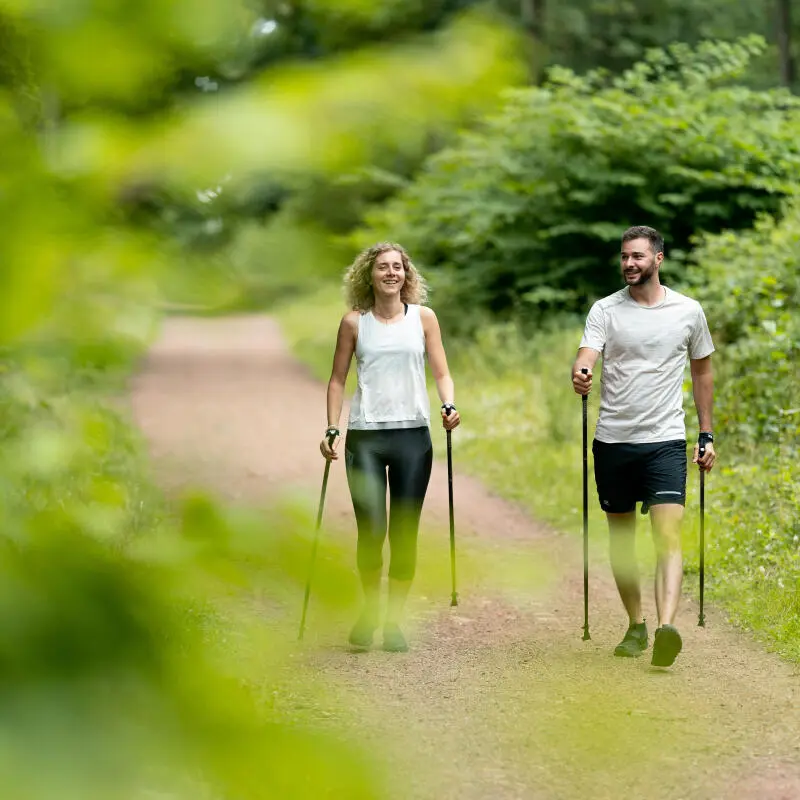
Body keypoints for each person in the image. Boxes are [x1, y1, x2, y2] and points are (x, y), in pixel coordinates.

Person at [572, 225, 716, 667]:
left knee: (667, 533)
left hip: (666, 440)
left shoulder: (688, 311)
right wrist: (581, 372)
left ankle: (665, 626)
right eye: (624, 257)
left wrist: (706, 433)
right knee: (622, 540)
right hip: (614, 440)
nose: (629, 263)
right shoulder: (605, 309)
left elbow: (702, 372)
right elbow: (587, 352)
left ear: (658, 259)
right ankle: (636, 624)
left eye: (637, 256)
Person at [320, 242, 461, 652]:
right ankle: (369, 612)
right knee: (371, 530)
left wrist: (449, 405)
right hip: (365, 436)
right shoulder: (353, 323)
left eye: (397, 267)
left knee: (403, 531)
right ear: (369, 275)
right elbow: (336, 380)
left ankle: (395, 620)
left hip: (412, 436)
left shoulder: (423, 318)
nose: (390, 273)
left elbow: (442, 372)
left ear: (406, 274)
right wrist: (332, 427)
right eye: (382, 267)